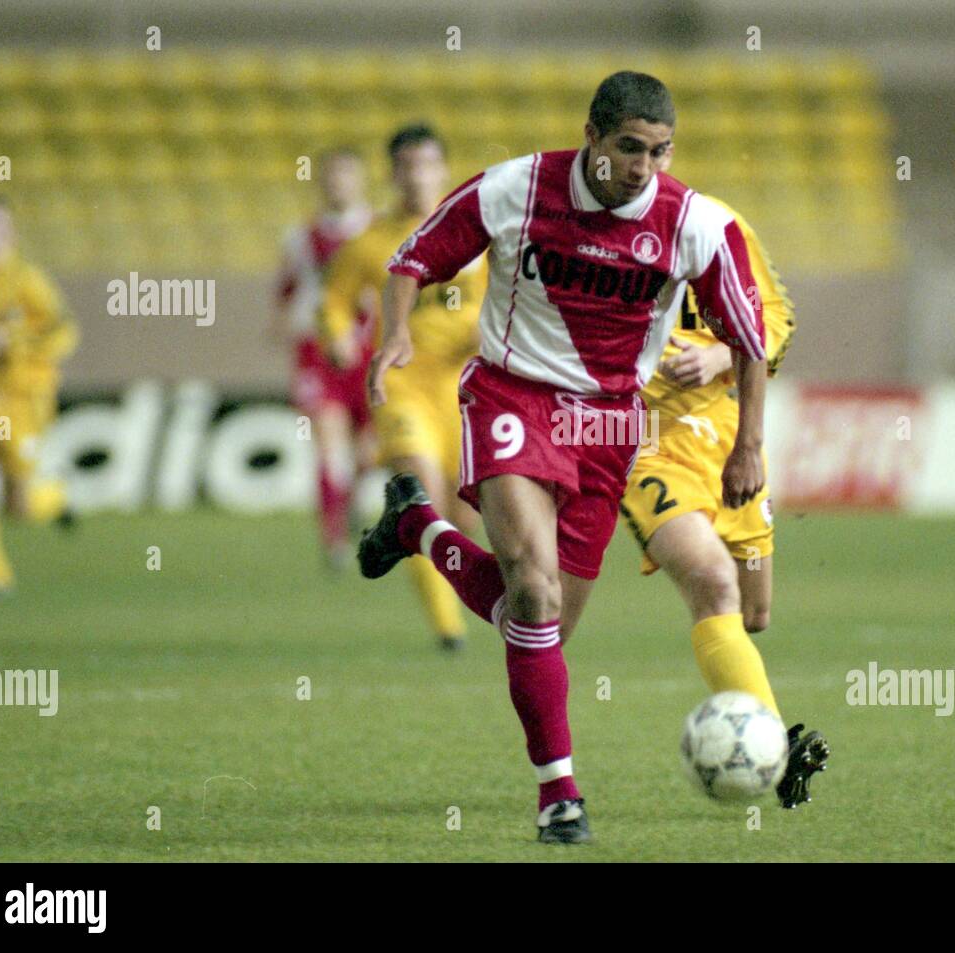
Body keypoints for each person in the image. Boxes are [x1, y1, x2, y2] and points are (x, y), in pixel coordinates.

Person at [358, 71, 768, 844]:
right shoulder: (518, 186)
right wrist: (396, 335)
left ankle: (418, 526)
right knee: (535, 593)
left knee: (534, 622)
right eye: (630, 148)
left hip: (611, 425)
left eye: (660, 150)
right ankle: (560, 795)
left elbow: (748, 337)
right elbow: (411, 258)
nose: (645, 165)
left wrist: (748, 444)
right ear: (593, 136)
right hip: (515, 396)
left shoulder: (693, 223)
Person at [619, 148, 828, 809]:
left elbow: (778, 321)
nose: (640, 168)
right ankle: (777, 747)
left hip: (722, 437)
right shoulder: (588, 242)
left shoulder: (717, 224)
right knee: (712, 584)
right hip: (639, 444)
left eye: (654, 152)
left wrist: (721, 354)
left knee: (753, 613)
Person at [322, 126, 484, 650]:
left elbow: (512, 291)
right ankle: (448, 629)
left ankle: (433, 574)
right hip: (401, 385)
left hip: (464, 390)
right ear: (392, 174)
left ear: (444, 169)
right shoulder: (369, 242)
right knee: (424, 497)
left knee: (468, 516)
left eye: (427, 164)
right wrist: (339, 336)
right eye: (407, 166)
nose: (417, 176)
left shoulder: (476, 231)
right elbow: (334, 302)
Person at [0, 194, 77, 596]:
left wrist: (12, 340)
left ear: (10, 235)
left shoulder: (26, 282)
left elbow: (63, 333)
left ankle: (55, 496)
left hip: (18, 401)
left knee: (18, 506)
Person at [274, 148, 374, 568]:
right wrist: (280, 324)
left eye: (346, 175)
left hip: (371, 348)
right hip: (318, 350)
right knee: (328, 444)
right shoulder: (300, 237)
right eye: (331, 176)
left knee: (369, 451)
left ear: (361, 180)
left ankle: (349, 500)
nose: (338, 184)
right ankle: (332, 538)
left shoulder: (379, 231)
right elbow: (287, 290)